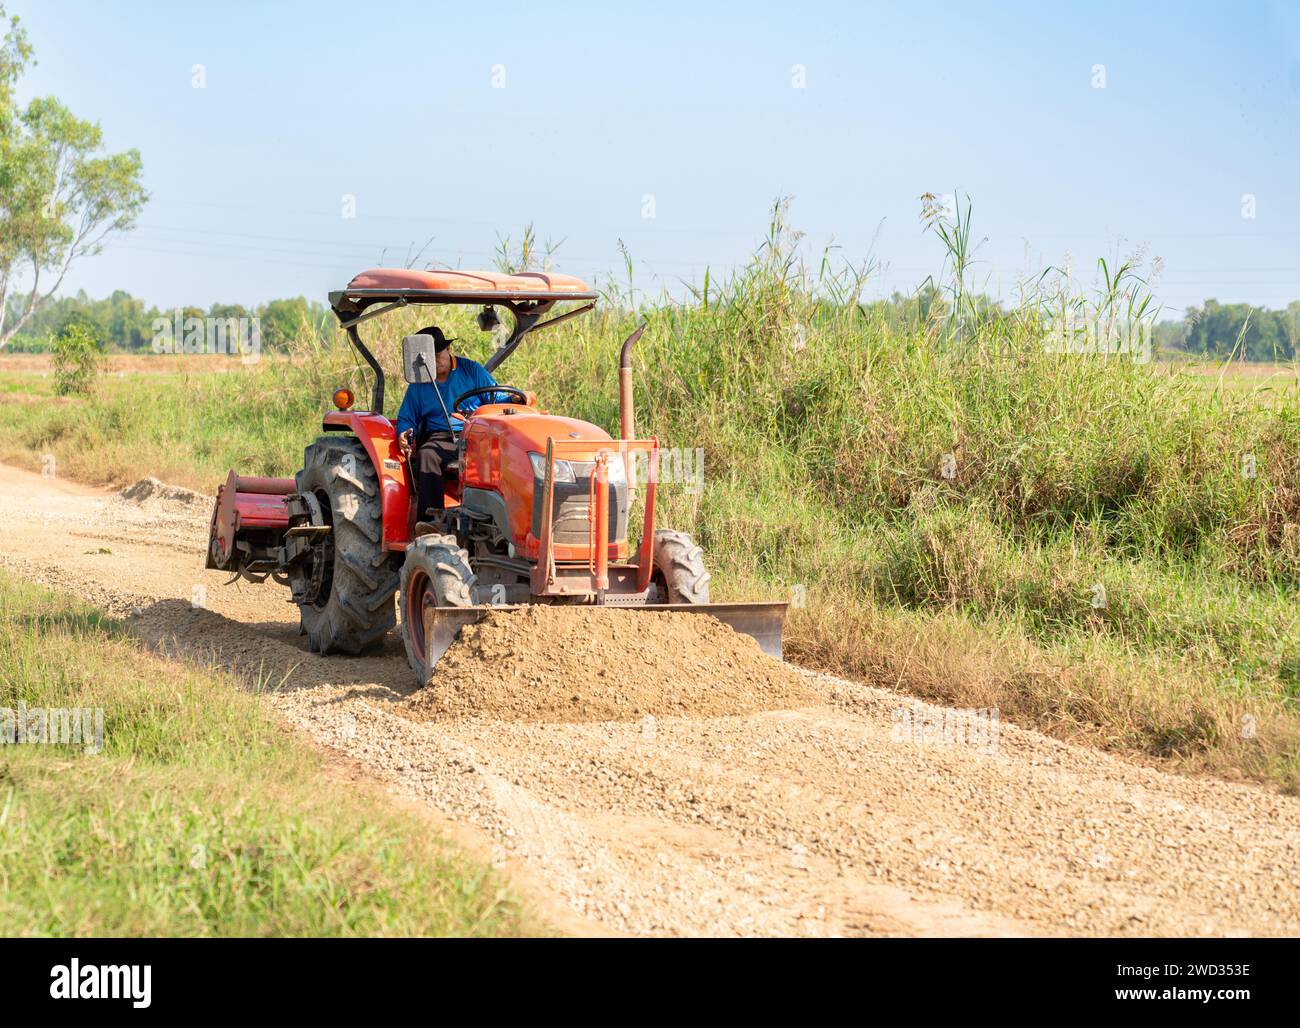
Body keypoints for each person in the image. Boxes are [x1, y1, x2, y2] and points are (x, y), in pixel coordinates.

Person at [394, 325, 501, 526]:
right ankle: (431, 522)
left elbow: (496, 397)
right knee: (428, 454)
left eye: (438, 354)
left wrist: (513, 398)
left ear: (448, 350)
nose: (435, 361)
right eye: (428, 358)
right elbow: (407, 418)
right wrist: (404, 433)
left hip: (476, 435)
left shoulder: (471, 370)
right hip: (442, 438)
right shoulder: (419, 384)